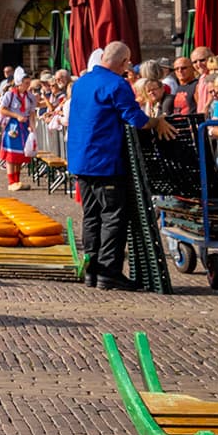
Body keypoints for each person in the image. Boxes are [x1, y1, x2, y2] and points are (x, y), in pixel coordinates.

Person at [67, 41, 176, 291]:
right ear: (124, 62)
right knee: (114, 216)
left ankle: (91, 270)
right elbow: (135, 118)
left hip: (81, 159)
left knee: (91, 216)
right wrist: (156, 122)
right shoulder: (117, 84)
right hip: (104, 160)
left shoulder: (81, 82)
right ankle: (109, 271)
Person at [0, 69, 33, 189]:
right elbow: (2, 109)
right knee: (11, 155)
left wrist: (32, 125)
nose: (28, 85)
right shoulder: (10, 95)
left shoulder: (30, 96)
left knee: (19, 154)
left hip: (24, 126)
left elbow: (32, 111)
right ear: (19, 83)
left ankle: (17, 180)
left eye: (29, 83)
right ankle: (11, 181)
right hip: (13, 126)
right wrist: (17, 116)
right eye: (26, 83)